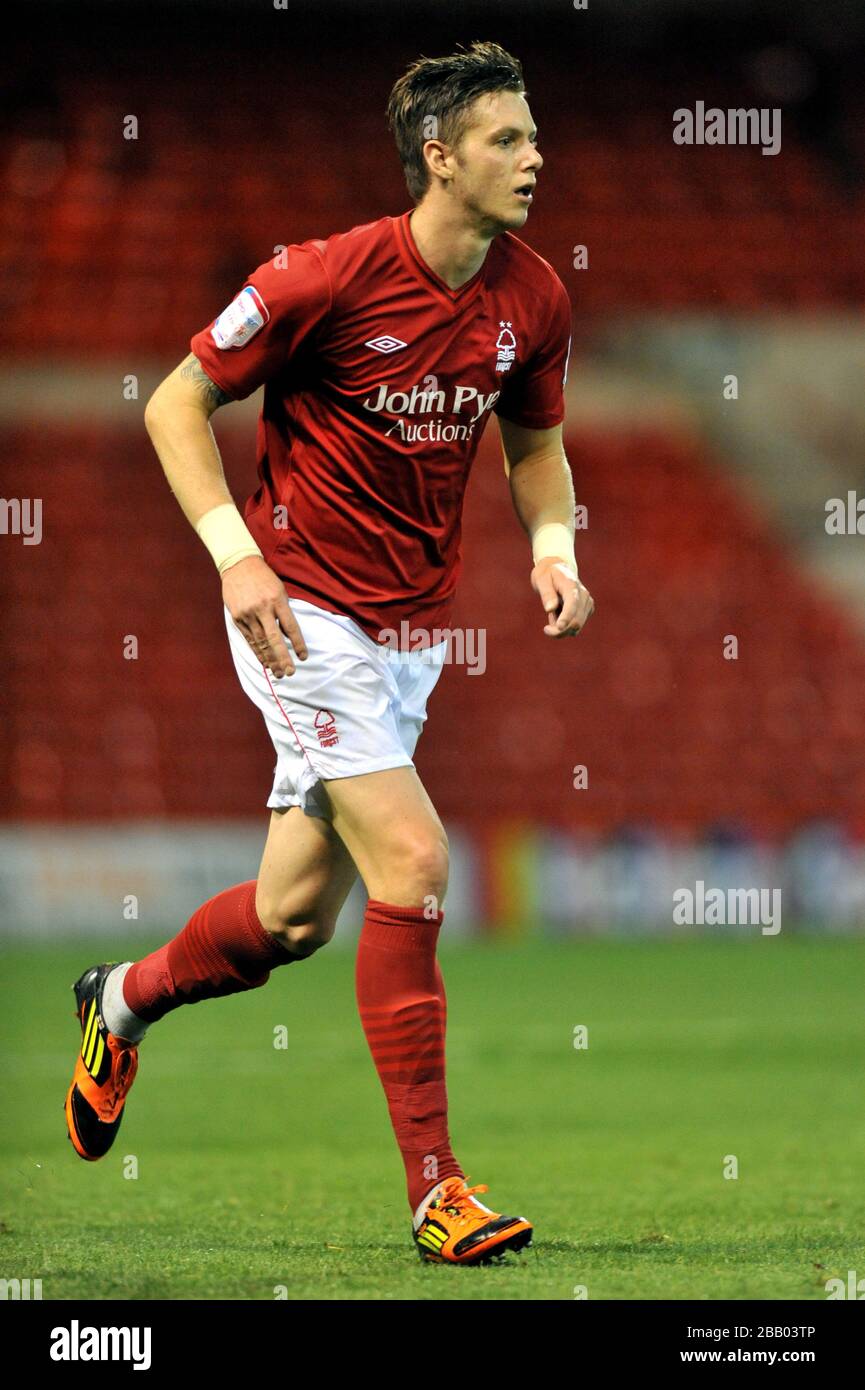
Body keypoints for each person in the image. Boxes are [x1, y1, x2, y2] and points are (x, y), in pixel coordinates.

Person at [64, 39, 594, 1266]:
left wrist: (554, 551)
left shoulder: (533, 298)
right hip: (299, 609)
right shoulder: (322, 276)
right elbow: (173, 402)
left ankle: (121, 1001)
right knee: (414, 858)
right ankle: (438, 1192)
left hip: (404, 633)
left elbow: (533, 444)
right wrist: (234, 556)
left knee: (292, 920)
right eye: (508, 138)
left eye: (534, 135)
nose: (534, 157)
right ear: (440, 153)